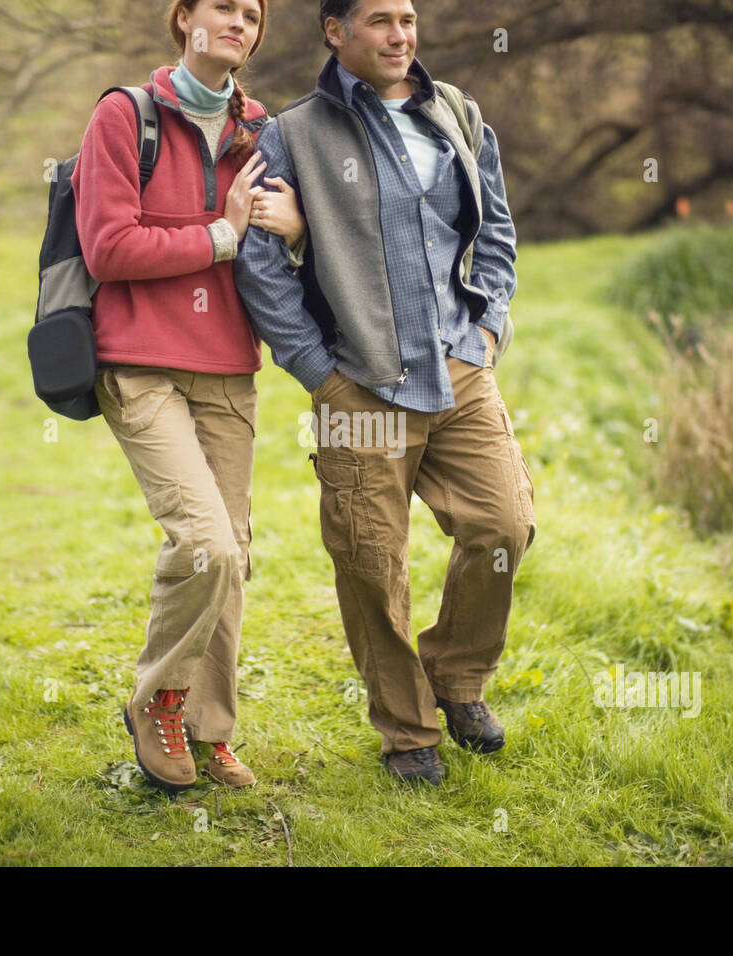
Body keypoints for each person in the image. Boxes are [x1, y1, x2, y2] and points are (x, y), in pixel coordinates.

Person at [235, 0, 535, 786]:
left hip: (461, 368)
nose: (400, 35)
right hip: (360, 383)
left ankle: (455, 676)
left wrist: (489, 331)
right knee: (372, 560)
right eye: (379, 20)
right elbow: (260, 266)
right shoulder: (293, 135)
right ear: (335, 31)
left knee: (504, 526)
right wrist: (318, 374)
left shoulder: (459, 114)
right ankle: (408, 734)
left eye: (407, 18)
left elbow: (496, 234)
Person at [71, 0, 305, 793]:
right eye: (223, 6)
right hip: (138, 361)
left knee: (230, 556)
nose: (239, 21)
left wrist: (297, 228)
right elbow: (108, 246)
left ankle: (208, 731)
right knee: (203, 540)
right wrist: (221, 234)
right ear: (183, 18)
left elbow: (288, 243)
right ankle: (157, 700)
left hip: (229, 366)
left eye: (253, 12)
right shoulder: (124, 117)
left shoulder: (264, 130)